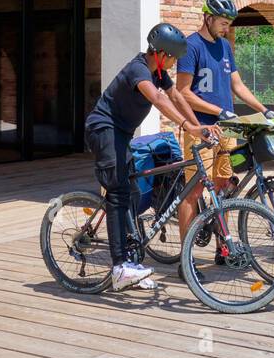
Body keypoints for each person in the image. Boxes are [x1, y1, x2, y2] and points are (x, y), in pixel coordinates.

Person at [85, 23, 215, 291]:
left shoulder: (158, 72)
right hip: (103, 128)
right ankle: (120, 266)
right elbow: (157, 99)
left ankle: (132, 263)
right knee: (118, 193)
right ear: (161, 53)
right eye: (172, 59)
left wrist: (197, 126)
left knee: (132, 192)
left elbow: (176, 96)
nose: (173, 64)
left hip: (121, 133)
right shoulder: (139, 70)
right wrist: (185, 126)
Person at [175, 0, 274, 266]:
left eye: (228, 24)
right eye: (223, 23)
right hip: (201, 129)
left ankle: (223, 247)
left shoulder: (225, 46)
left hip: (226, 129)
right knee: (195, 191)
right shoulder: (191, 46)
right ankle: (186, 259)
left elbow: (238, 86)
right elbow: (182, 92)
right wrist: (216, 111)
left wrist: (263, 109)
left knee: (224, 188)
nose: (226, 29)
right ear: (207, 18)